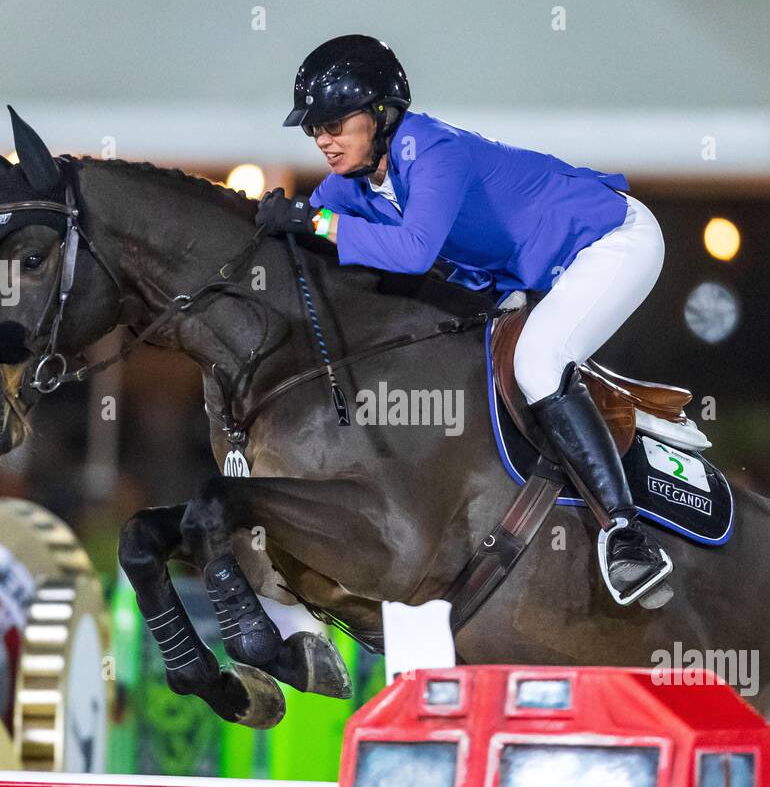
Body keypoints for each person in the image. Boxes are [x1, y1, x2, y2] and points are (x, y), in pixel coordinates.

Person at [255, 34, 671, 605]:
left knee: (538, 362)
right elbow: (311, 230)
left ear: (381, 114)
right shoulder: (355, 181)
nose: (322, 139)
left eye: (333, 123)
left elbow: (412, 251)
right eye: (313, 129)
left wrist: (315, 224)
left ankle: (627, 536)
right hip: (533, 277)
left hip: (610, 242)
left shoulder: (432, 151)